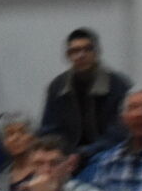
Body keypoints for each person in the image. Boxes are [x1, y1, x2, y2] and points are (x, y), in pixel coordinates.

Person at [40, 28, 130, 157]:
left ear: (97, 52)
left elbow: (120, 131)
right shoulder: (57, 86)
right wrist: (63, 154)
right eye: (75, 51)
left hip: (107, 154)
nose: (81, 55)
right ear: (68, 56)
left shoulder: (117, 85)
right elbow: (49, 129)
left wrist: (85, 153)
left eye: (87, 49)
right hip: (65, 156)